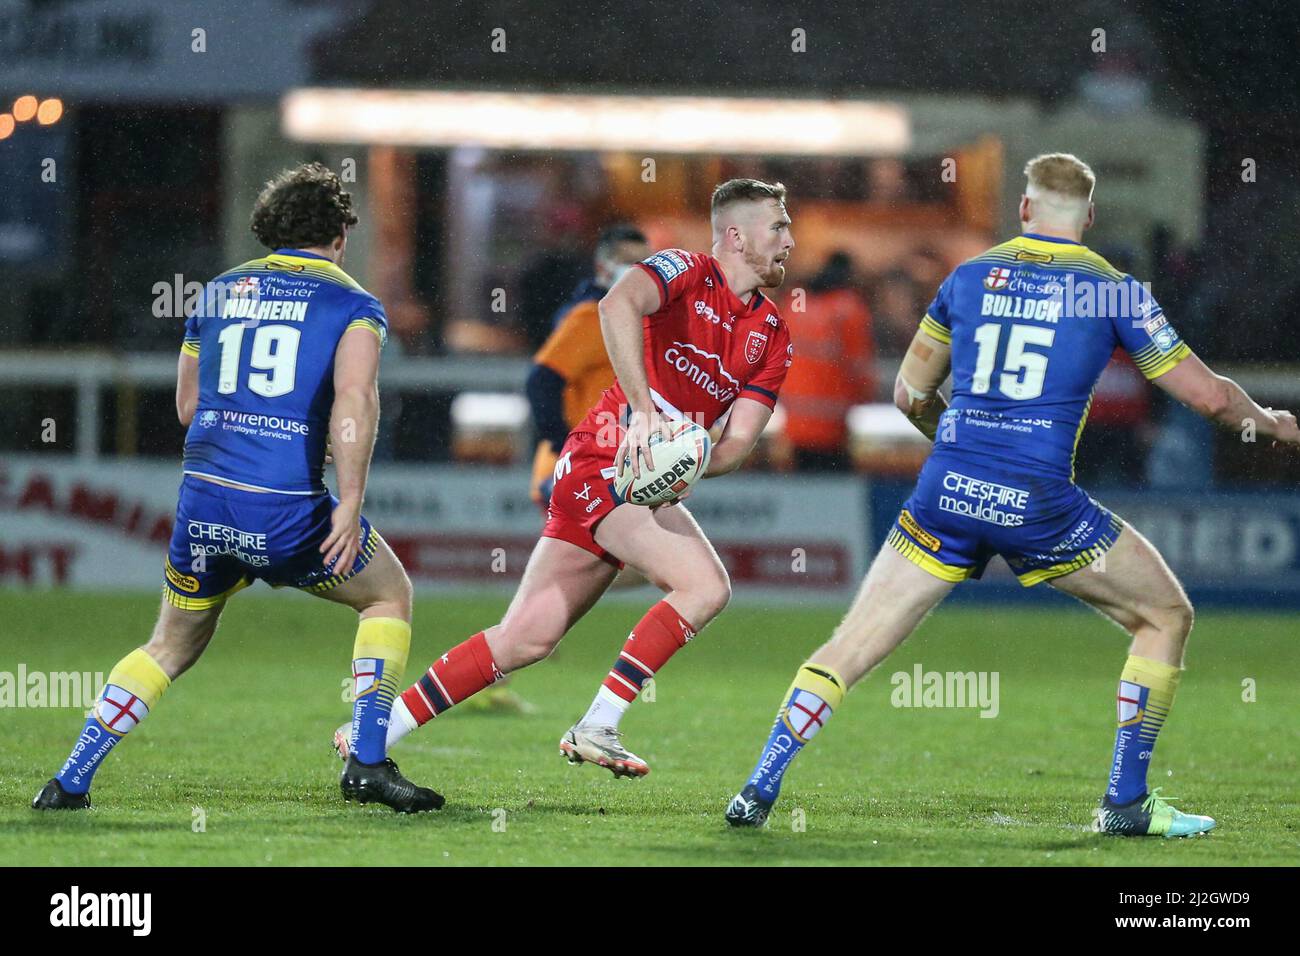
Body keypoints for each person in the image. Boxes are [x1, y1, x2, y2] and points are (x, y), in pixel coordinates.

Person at [726, 153, 1300, 836]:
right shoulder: (1109, 291)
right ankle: (1125, 803)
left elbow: (909, 393)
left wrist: (961, 448)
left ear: (1024, 211)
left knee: (850, 645)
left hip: (947, 489)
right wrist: (1271, 424)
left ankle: (758, 786)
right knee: (1165, 615)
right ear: (1085, 218)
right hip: (1036, 500)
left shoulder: (968, 277)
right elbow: (1207, 398)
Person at [32, 163, 443, 814]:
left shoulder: (217, 293)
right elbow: (355, 399)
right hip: (284, 510)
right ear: (338, 233)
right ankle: (366, 762)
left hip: (205, 504)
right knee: (388, 595)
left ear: (270, 229)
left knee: (169, 644)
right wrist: (353, 499)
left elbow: (188, 407)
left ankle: (69, 781)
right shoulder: (353, 304)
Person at [355, 179, 795, 783]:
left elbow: (739, 442)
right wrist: (645, 413)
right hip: (603, 457)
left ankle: (373, 732)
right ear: (737, 236)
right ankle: (598, 724)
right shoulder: (684, 270)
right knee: (704, 587)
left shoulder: (773, 331)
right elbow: (618, 305)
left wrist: (691, 456)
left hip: (637, 479)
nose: (789, 240)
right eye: (778, 226)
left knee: (525, 639)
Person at [526, 224, 651, 509]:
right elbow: (541, 381)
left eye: (647, 264)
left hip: (600, 470)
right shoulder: (592, 317)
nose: (642, 273)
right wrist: (565, 444)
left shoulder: (625, 318)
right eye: (631, 264)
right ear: (604, 269)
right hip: (582, 472)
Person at [779, 251, 875, 471]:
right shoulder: (849, 308)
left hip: (794, 426)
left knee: (803, 494)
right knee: (835, 496)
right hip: (833, 429)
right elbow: (860, 370)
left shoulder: (796, 302)